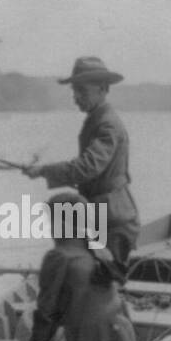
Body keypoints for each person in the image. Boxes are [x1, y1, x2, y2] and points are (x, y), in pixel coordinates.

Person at [25, 55, 140, 269]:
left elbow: (87, 168)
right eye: (75, 91)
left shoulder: (107, 125)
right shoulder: (97, 119)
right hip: (100, 215)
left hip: (113, 220)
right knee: (89, 276)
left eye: (82, 91)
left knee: (106, 281)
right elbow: (93, 173)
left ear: (103, 89)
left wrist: (43, 170)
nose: (76, 97)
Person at [29, 191, 137, 341]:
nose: (49, 227)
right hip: (120, 339)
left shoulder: (58, 256)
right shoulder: (102, 251)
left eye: (50, 221)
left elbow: (45, 313)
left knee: (28, 319)